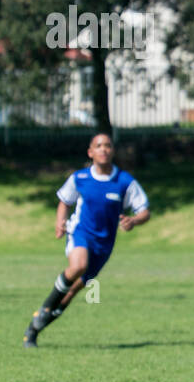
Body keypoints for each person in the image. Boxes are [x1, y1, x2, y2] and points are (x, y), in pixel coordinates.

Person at [23, 133, 149, 347]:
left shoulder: (124, 181)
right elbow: (64, 201)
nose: (104, 149)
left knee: (71, 293)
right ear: (91, 152)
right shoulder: (80, 178)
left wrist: (134, 221)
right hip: (80, 233)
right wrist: (60, 222)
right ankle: (46, 305)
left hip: (104, 245)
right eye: (98, 146)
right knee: (78, 265)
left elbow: (144, 211)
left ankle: (34, 330)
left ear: (113, 151)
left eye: (108, 145)